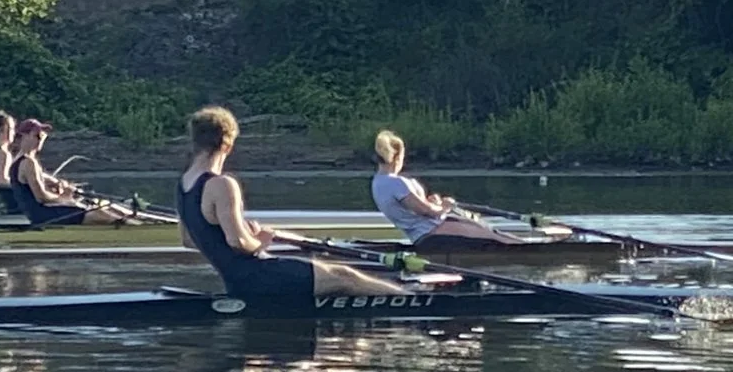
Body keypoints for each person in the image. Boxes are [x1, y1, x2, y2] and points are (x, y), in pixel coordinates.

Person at [179, 106, 412, 300]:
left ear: (195, 141)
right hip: (259, 277)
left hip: (236, 281)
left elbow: (189, 240)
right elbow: (238, 242)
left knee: (333, 276)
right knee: (345, 277)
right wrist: (260, 240)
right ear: (228, 144)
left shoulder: (183, 185)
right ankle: (412, 299)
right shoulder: (222, 184)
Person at [370, 130, 525, 245]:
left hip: (422, 233)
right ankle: (534, 250)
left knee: (491, 231)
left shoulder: (377, 183)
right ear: (397, 157)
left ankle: (529, 245)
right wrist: (444, 206)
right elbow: (426, 211)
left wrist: (434, 202)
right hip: (431, 231)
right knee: (493, 237)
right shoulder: (396, 183)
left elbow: (416, 209)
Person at [8, 118, 94, 228]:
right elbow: (41, 197)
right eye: (37, 136)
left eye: (43, 136)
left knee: (100, 206)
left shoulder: (17, 161)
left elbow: (40, 177)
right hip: (46, 216)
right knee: (103, 214)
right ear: (24, 136)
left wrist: (57, 183)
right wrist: (65, 198)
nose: (41, 139)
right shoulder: (29, 162)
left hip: (39, 214)